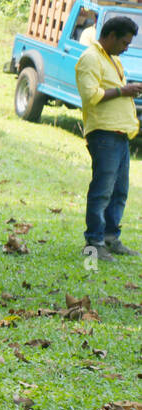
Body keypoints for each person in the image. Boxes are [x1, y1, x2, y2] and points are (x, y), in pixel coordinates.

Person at [73, 15, 142, 261]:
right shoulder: (90, 58)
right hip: (103, 134)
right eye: (123, 42)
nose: (125, 48)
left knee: (120, 190)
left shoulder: (111, 59)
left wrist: (126, 89)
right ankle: (94, 242)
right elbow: (90, 95)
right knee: (102, 190)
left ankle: (111, 237)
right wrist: (123, 91)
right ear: (111, 36)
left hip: (120, 134)